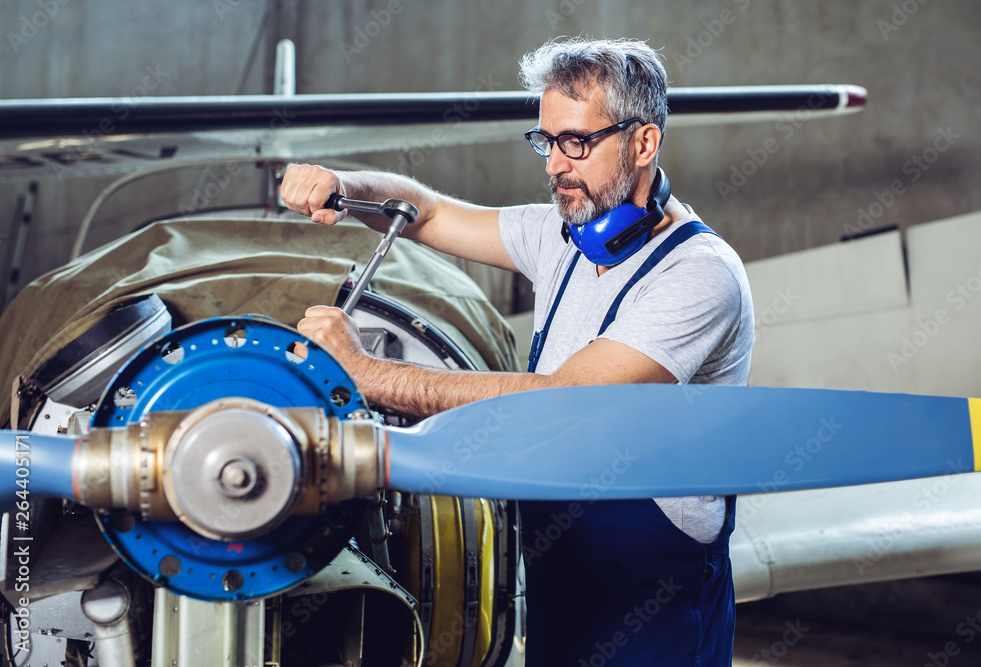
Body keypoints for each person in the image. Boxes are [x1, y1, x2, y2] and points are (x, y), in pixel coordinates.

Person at [281, 37, 753, 666]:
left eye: (577, 142)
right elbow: (423, 213)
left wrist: (366, 373)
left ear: (644, 143)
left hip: (651, 577)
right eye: (546, 141)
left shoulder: (699, 276)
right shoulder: (561, 235)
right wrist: (343, 184)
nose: (556, 164)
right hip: (561, 552)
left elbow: (570, 402)